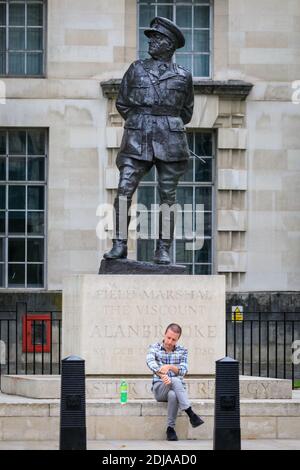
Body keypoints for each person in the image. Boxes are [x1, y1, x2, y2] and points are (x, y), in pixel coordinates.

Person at [104, 16, 194, 265]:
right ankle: (119, 244)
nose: (151, 42)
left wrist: (163, 121)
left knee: (168, 196)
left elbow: (186, 112)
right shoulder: (136, 69)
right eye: (151, 38)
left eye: (157, 38)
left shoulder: (183, 76)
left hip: (171, 141)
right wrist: (142, 120)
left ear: (169, 45)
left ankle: (163, 249)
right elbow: (122, 102)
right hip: (137, 137)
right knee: (123, 190)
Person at [146, 323, 204, 441]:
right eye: (168, 337)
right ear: (165, 334)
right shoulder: (154, 347)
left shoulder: (182, 351)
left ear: (178, 339)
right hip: (160, 388)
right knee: (176, 380)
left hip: (174, 390)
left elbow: (183, 371)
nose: (169, 342)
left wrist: (169, 367)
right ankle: (190, 413)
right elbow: (150, 362)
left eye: (173, 339)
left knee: (173, 394)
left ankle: (170, 429)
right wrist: (162, 374)